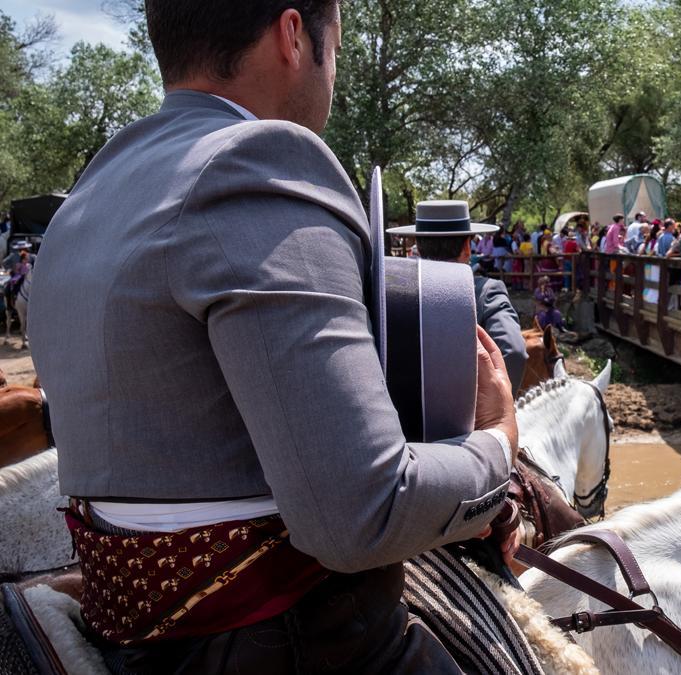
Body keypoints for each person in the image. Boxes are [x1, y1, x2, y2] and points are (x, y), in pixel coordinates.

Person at [27, 3, 519, 671]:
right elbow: (362, 510)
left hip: (132, 634)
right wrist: (497, 443)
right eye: (336, 46)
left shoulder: (97, 188)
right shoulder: (260, 159)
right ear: (294, 37)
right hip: (283, 638)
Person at [398, 201, 528, 395]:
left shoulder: (397, 291)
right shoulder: (486, 291)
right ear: (467, 247)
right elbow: (514, 352)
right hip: (469, 419)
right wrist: (490, 409)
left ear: (420, 249)